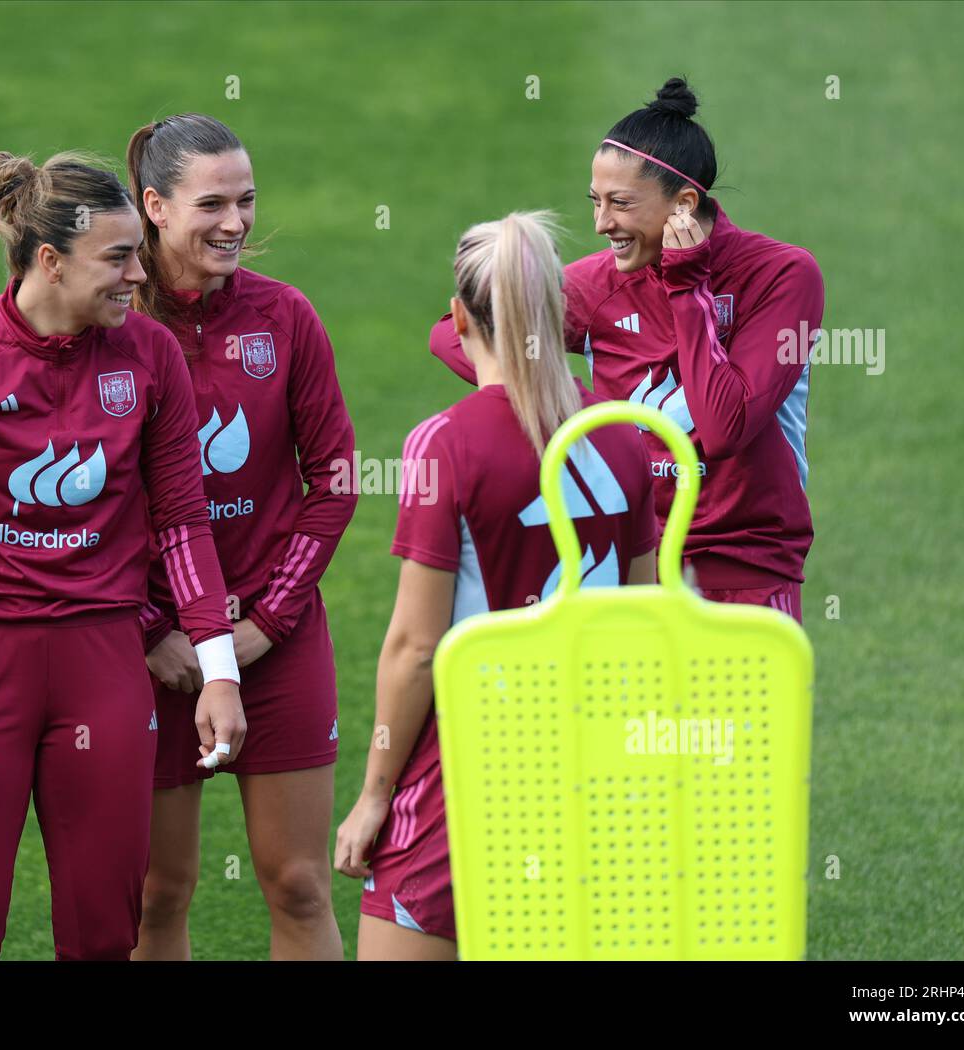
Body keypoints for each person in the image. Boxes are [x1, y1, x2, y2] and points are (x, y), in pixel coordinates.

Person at [0, 149, 243, 961]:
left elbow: (184, 523)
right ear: (49, 260)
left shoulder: (150, 357)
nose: (135, 276)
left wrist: (218, 668)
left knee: (102, 935)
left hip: (104, 667)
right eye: (117, 258)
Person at [335, 211, 659, 960]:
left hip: (471, 775)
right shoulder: (623, 434)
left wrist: (376, 794)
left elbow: (417, 648)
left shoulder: (444, 443)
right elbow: (646, 623)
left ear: (458, 316)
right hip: (593, 776)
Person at [430, 78, 823, 622]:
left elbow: (725, 427)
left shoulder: (780, 275)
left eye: (621, 204)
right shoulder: (599, 283)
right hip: (627, 556)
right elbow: (457, 332)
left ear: (684, 204)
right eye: (595, 202)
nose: (601, 224)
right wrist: (579, 411)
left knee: (740, 713)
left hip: (745, 562)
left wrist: (687, 286)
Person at [125, 115, 357, 961]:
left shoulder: (285, 317)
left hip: (276, 640)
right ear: (154, 205)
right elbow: (88, 506)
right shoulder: (110, 328)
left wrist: (264, 623)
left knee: (298, 882)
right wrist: (155, 633)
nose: (235, 223)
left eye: (247, 200)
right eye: (212, 203)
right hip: (151, 652)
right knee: (156, 895)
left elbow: (334, 477)